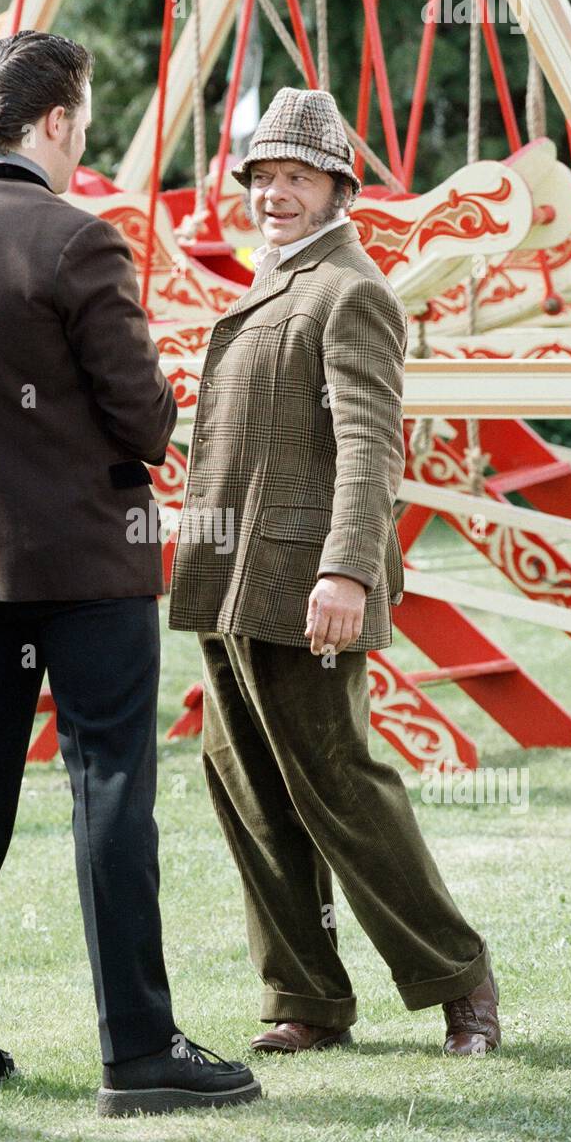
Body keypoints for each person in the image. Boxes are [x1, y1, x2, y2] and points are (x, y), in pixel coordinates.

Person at [0, 30, 261, 1114]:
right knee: (112, 791)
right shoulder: (77, 242)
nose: (86, 140)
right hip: (89, 555)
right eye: (81, 119)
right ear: (51, 122)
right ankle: (138, 1051)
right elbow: (143, 415)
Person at [169, 87, 500, 1058]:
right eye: (263, 176)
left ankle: (460, 978)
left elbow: (370, 446)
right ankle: (305, 997)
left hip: (304, 584)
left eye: (294, 177)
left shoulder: (351, 290)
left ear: (335, 187)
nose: (274, 192)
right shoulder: (269, 282)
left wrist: (349, 571)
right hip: (227, 583)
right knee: (247, 785)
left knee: (341, 786)